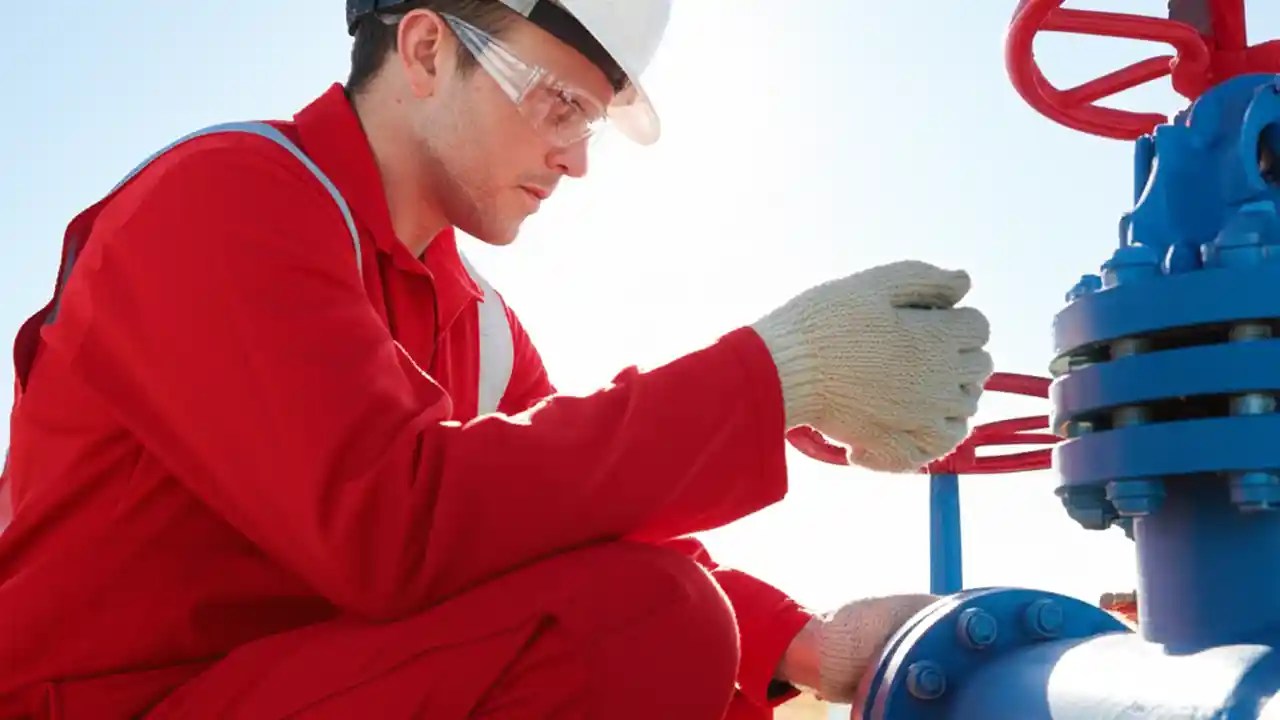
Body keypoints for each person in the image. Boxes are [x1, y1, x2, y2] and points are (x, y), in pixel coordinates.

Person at [0, 1, 993, 718]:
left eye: (591, 123)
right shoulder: (225, 203)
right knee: (641, 623)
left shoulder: (472, 321)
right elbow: (391, 522)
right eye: (559, 105)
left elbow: (576, 522)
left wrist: (808, 643)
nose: (577, 159)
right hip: (112, 698)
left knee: (666, 630)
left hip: (283, 680)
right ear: (427, 50)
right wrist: (780, 377)